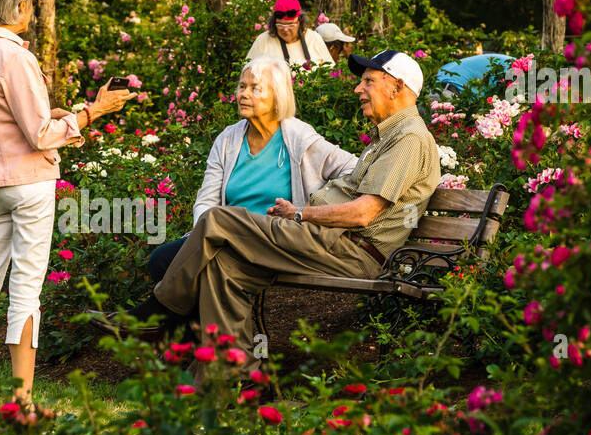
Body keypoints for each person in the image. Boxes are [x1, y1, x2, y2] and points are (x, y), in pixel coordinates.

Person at [117, 50, 439, 377]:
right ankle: (234, 378)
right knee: (224, 267)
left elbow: (363, 214)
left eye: (368, 81)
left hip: (350, 250)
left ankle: (154, 316)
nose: (358, 89)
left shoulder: (409, 138)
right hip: (332, 242)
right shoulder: (389, 136)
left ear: (396, 87)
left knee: (217, 221)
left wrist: (301, 213)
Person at [0, 0, 132, 408]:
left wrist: (64, 113)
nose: (32, 13)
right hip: (28, 185)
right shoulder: (16, 57)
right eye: (30, 5)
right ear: (19, 5)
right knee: (25, 291)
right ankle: (21, 401)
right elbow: (39, 136)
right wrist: (94, 112)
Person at [145, 55, 357, 291]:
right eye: (242, 87)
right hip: (224, 236)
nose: (244, 94)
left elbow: (354, 169)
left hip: (270, 242)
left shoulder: (299, 138)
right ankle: (185, 326)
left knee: (178, 264)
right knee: (162, 259)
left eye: (256, 89)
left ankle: (151, 324)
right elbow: (207, 199)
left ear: (278, 96)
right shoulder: (228, 138)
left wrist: (314, 206)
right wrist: (199, 239)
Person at [245, 0, 333, 68]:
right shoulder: (263, 41)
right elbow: (247, 72)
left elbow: (330, 72)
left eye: (290, 25)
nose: (285, 29)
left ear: (300, 22)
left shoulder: (314, 38)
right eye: (280, 25)